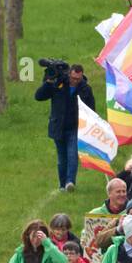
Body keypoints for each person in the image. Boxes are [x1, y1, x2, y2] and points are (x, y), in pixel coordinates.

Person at [34, 63, 97, 192]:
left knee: (72, 155)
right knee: (62, 157)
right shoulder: (58, 85)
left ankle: (70, 182)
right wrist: (48, 82)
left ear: (81, 77)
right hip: (58, 126)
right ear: (69, 74)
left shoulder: (85, 89)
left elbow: (92, 110)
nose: (75, 81)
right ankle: (62, 185)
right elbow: (39, 96)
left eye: (78, 79)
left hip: (75, 128)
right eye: (73, 78)